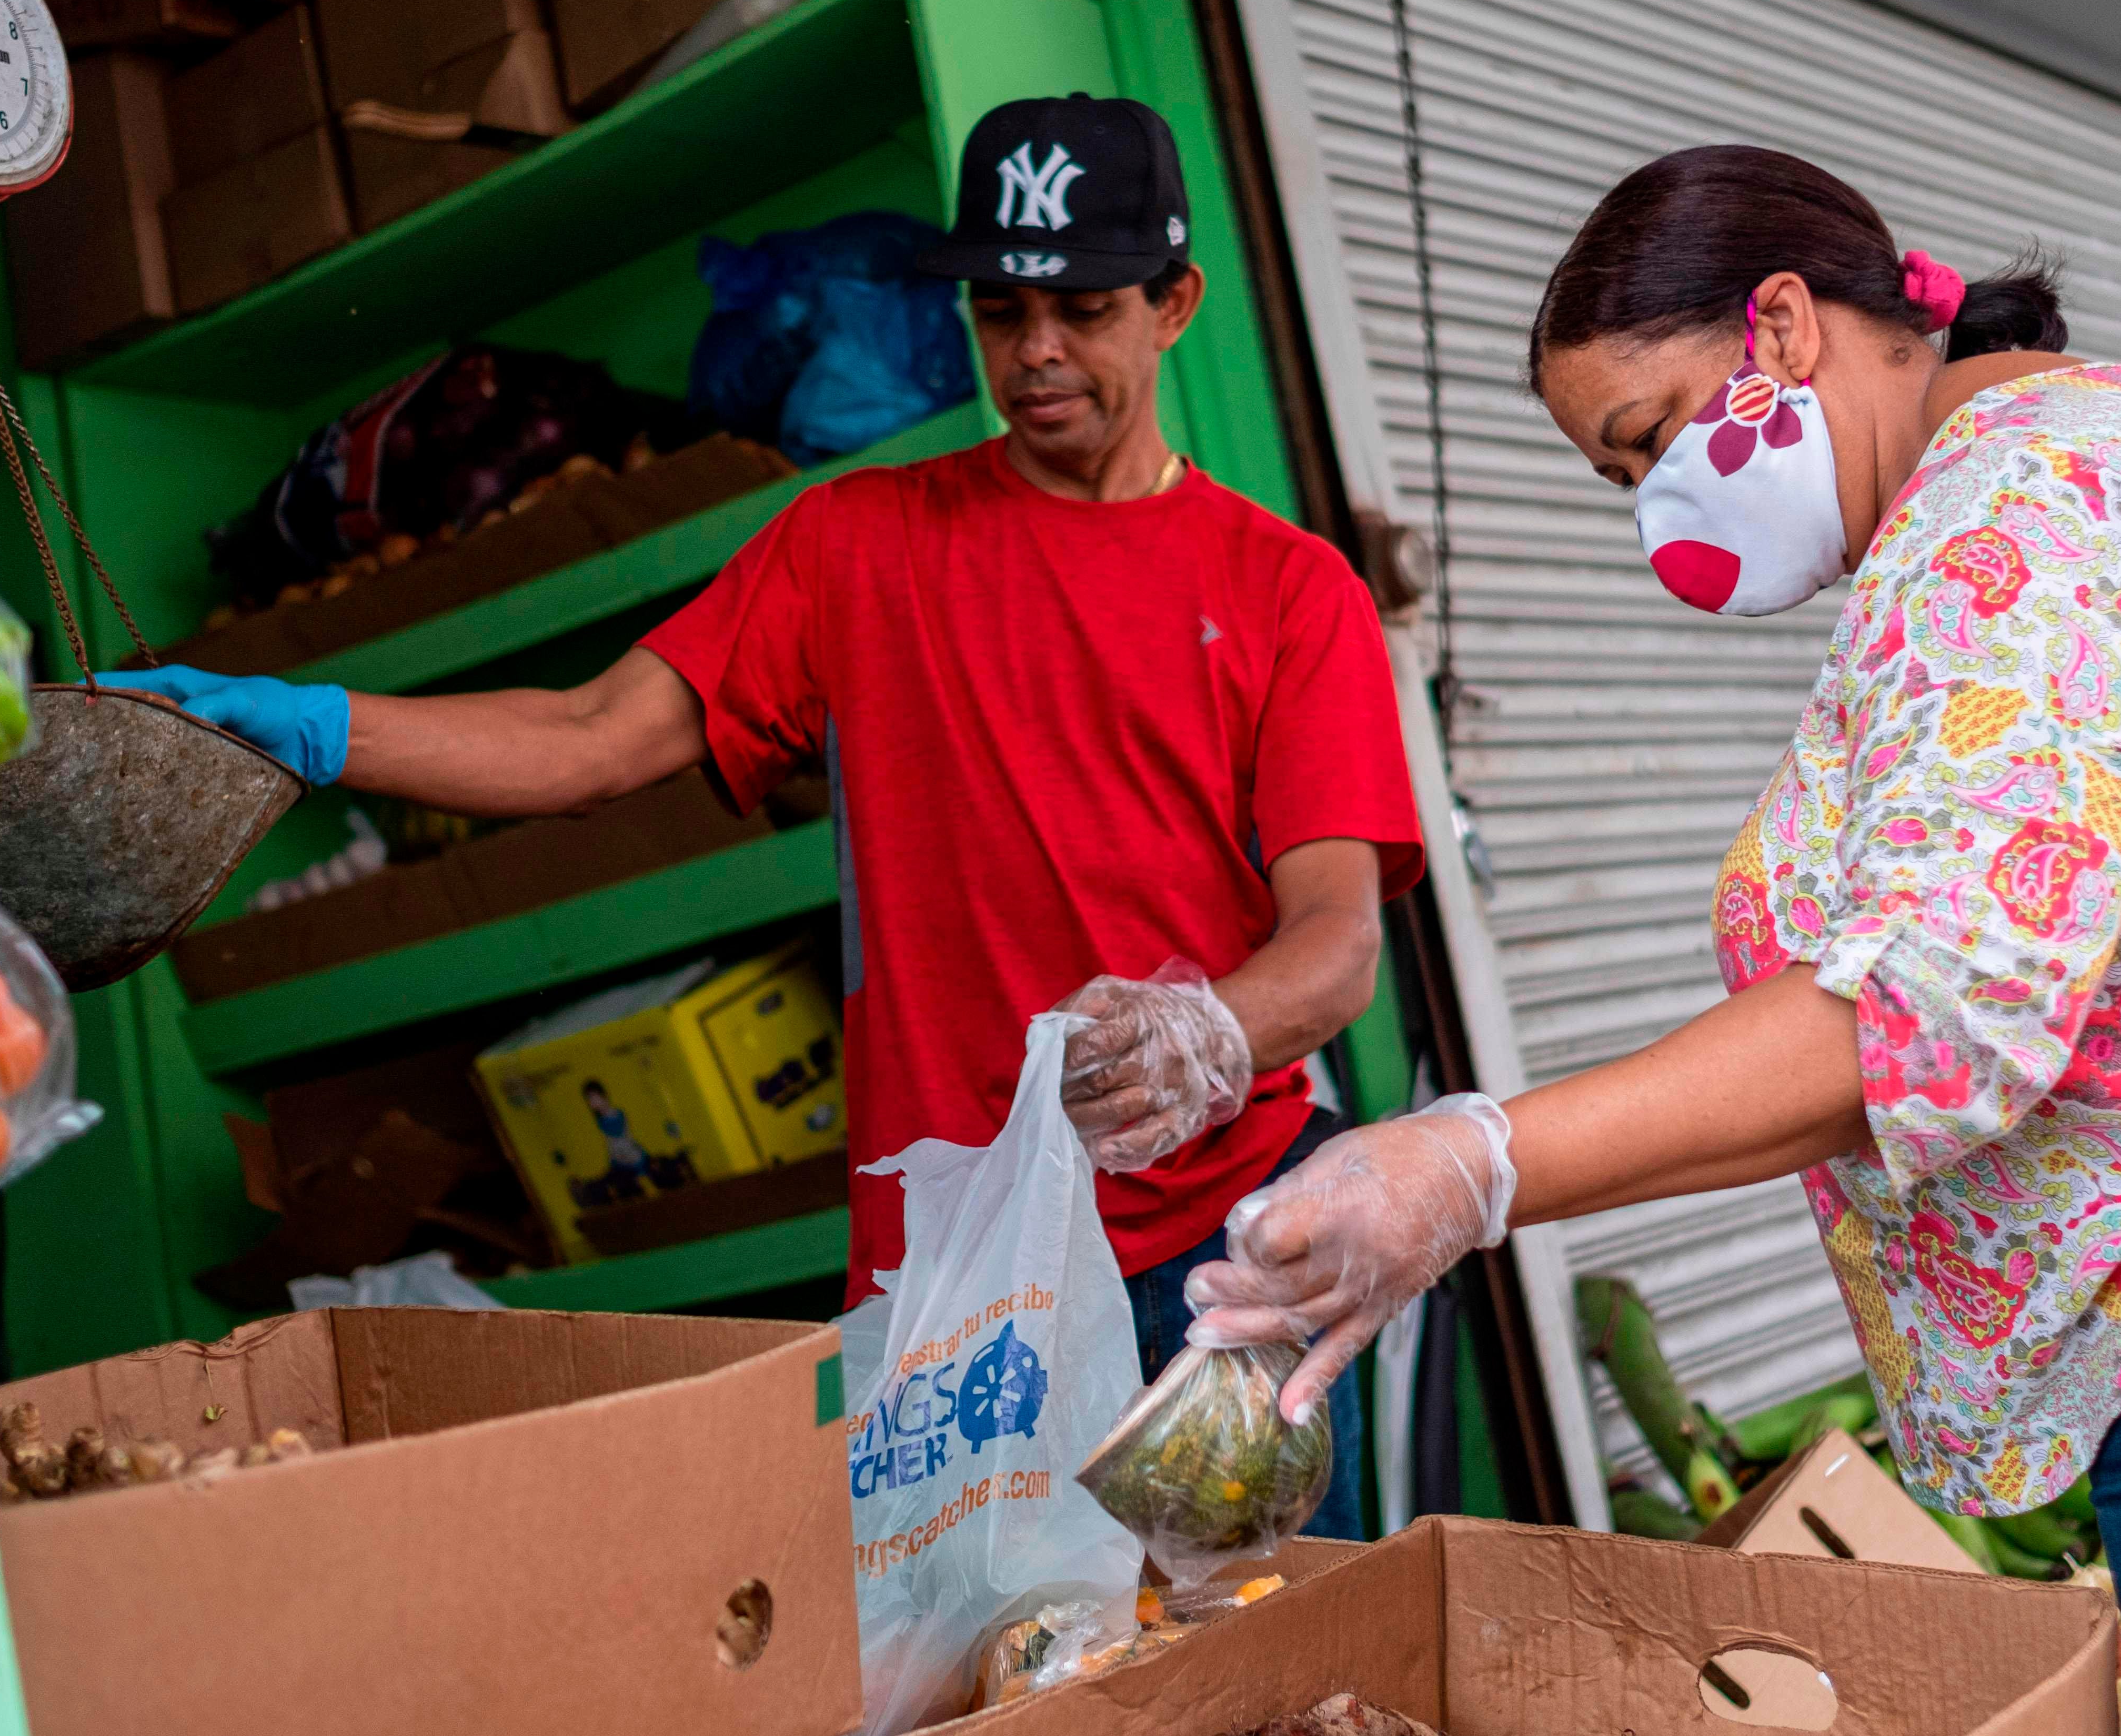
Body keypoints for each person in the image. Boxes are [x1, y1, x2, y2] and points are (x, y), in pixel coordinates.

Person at [1181, 147, 2121, 1736]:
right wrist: (1473, 1196)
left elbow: (1930, 1018)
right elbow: (1874, 1063)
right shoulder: (2016, 493)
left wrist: (1471, 1158)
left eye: (1651, 442)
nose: (1661, 520)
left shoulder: (2026, 502)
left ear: (1778, 327)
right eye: (1624, 484)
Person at [114, 95, 1423, 1539]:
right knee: (998, 1681)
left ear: (1173, 304)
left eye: (1084, 308)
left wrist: (1210, 1033)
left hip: (1213, 1261)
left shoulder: (1288, 590)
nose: (1037, 353)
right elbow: (588, 736)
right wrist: (312, 727)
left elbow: (1336, 946)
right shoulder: (855, 546)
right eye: (999, 311)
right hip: (948, 1288)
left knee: (1279, 1662)